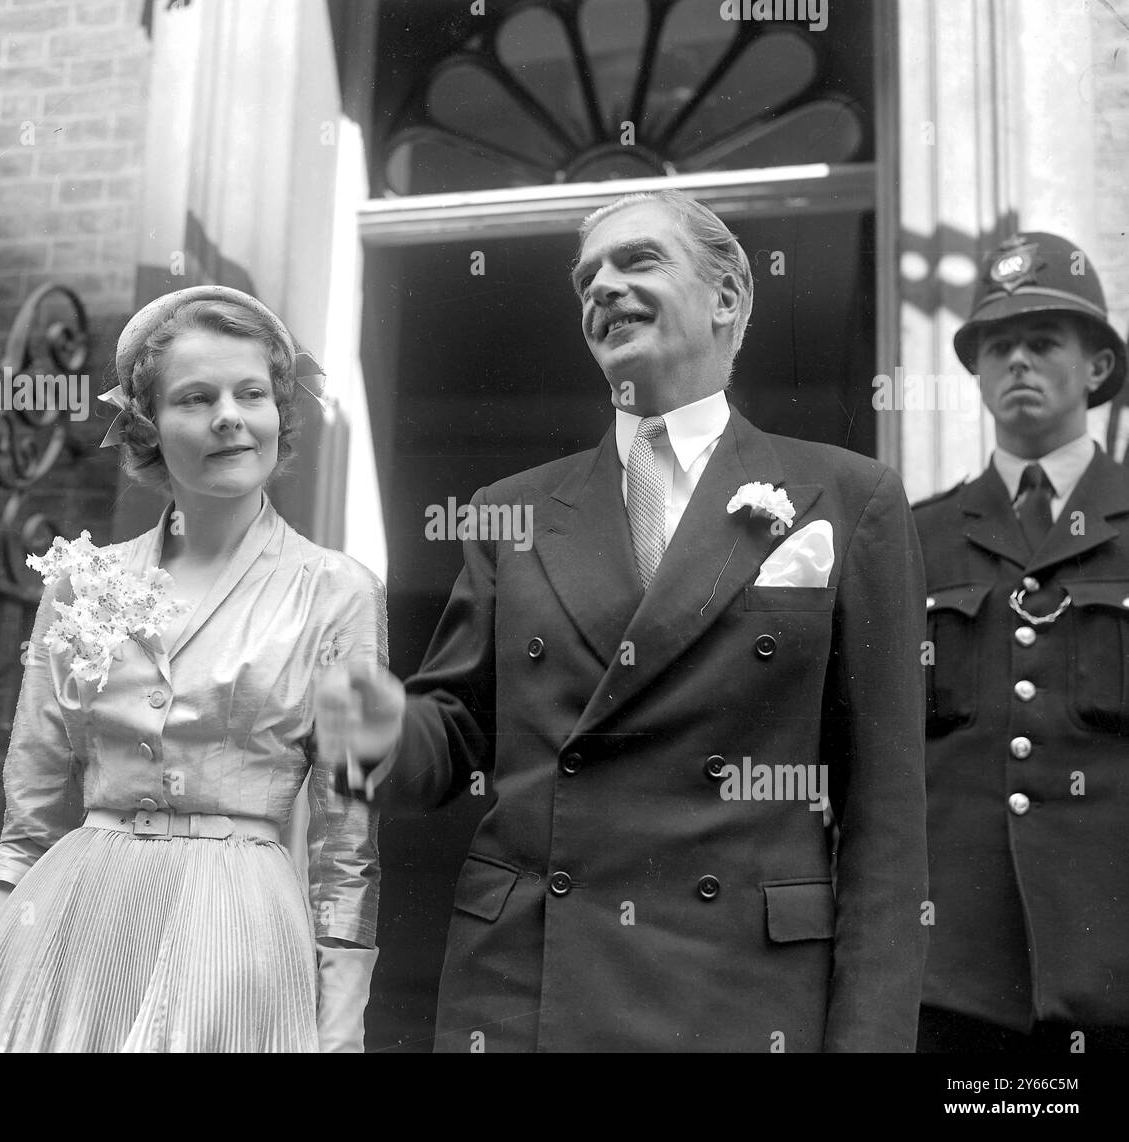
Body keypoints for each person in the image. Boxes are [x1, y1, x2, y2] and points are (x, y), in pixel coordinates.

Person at [318, 190, 929, 1052]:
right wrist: (384, 733)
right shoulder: (513, 510)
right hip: (527, 990)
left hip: (741, 997)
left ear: (729, 298)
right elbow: (452, 733)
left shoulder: (848, 497)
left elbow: (886, 815)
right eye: (587, 278)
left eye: (637, 261)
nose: (602, 287)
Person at [0, 286, 383, 1052]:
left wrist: (338, 1028)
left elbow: (349, 842)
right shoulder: (81, 581)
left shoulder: (341, 592)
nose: (230, 416)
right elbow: (30, 818)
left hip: (240, 937)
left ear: (280, 413)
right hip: (74, 925)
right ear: (147, 426)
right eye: (195, 398)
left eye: (253, 394)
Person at [913, 233, 1129, 1052]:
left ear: (1098, 369)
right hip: (959, 976)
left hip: (1114, 972)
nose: (1018, 363)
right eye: (998, 346)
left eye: (1043, 343)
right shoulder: (913, 538)